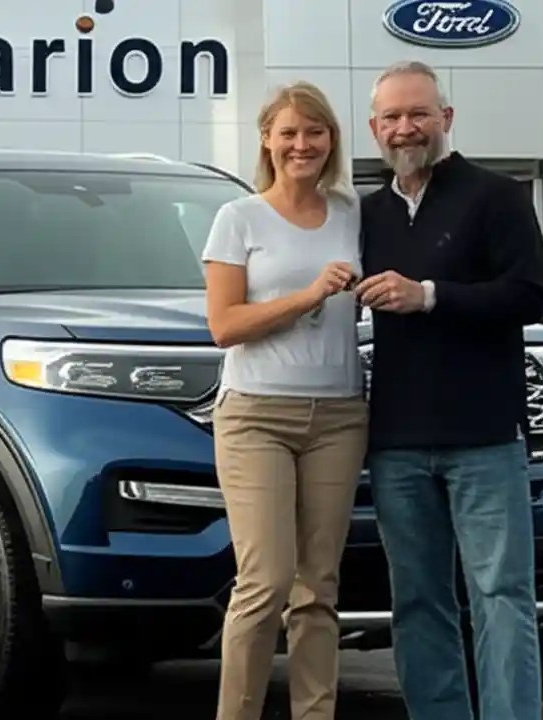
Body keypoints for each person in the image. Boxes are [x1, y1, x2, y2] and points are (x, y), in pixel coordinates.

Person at [355, 60, 543, 720]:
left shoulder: (497, 197)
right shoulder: (367, 215)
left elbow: (530, 295)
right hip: (396, 445)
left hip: (485, 438)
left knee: (501, 597)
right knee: (417, 602)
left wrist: (428, 296)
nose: (405, 128)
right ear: (374, 127)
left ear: (446, 117)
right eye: (392, 117)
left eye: (418, 113)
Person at [201, 80, 367, 720]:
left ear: (331, 140)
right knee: (265, 584)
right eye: (289, 132)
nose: (303, 144)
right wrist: (309, 295)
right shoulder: (239, 218)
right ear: (267, 140)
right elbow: (224, 326)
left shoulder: (353, 213)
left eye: (315, 132)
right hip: (256, 416)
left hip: (339, 416)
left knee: (318, 587)